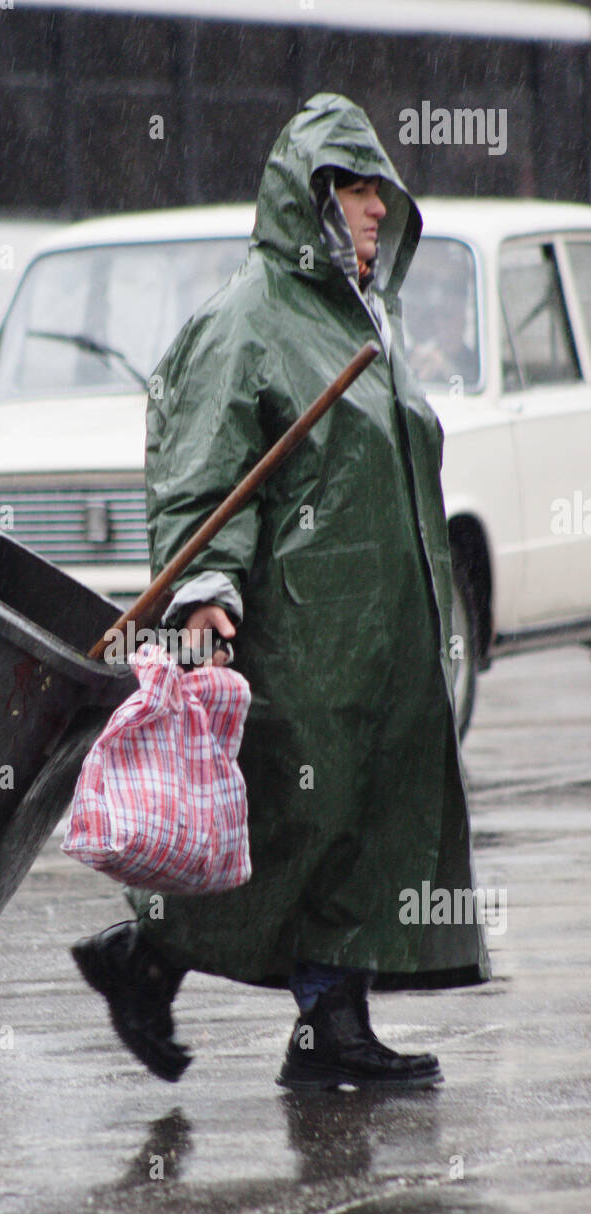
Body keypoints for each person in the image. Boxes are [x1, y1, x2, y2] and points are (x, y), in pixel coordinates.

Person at [72, 92, 491, 1090]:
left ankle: (308, 1019)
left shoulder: (356, 317)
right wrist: (205, 594)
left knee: (347, 825)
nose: (375, 209)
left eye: (379, 191)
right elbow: (203, 471)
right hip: (301, 643)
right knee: (298, 828)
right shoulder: (247, 320)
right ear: (307, 198)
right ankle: (172, 966)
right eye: (353, 189)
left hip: (376, 640)